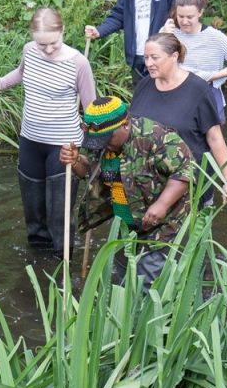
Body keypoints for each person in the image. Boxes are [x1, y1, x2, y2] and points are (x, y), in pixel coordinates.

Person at [0, 8, 97, 259]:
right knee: (33, 213)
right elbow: (21, 73)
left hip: (63, 145)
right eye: (41, 44)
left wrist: (94, 141)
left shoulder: (79, 63)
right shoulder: (29, 51)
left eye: (53, 43)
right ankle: (36, 263)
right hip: (30, 140)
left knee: (59, 214)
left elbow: (91, 108)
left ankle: (62, 265)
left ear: (63, 32)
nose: (46, 50)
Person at [59, 96, 192, 287]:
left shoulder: (156, 136)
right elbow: (91, 172)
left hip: (162, 227)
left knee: (150, 283)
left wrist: (161, 205)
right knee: (124, 278)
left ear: (125, 124)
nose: (104, 144)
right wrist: (76, 160)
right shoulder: (101, 142)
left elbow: (186, 171)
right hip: (126, 223)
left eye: (109, 138)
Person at [130, 33, 227, 204]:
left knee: (193, 230)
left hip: (190, 183)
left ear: (174, 56)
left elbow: (215, 137)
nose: (148, 63)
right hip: (150, 183)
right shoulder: (143, 86)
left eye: (155, 57)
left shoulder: (198, 89)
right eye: (146, 57)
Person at [159, 0, 227, 124]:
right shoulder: (169, 32)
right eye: (180, 16)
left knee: (212, 142)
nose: (184, 21)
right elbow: (156, 64)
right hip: (176, 93)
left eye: (190, 17)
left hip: (208, 93)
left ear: (200, 12)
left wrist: (214, 76)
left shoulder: (214, 36)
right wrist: (162, 36)